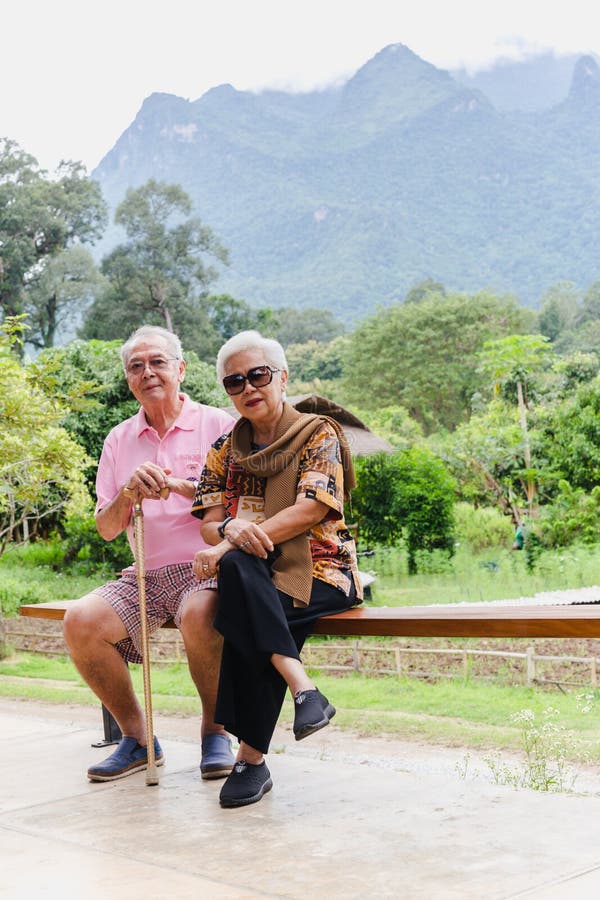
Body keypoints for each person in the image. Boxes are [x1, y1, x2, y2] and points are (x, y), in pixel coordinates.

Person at [191, 330, 363, 808]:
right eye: (235, 381)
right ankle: (302, 688)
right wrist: (228, 529)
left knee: (244, 604)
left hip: (323, 571)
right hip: (256, 575)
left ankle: (250, 759)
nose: (248, 387)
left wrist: (233, 540)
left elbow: (312, 508)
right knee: (243, 574)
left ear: (282, 378)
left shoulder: (318, 432)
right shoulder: (224, 449)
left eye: (258, 375)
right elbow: (208, 524)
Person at [63, 325, 236, 783]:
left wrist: (179, 486)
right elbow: (106, 528)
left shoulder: (218, 425)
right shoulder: (119, 439)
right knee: (79, 620)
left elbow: (243, 501)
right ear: (128, 379)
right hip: (145, 573)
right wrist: (128, 492)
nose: (147, 372)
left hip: (207, 567)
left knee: (199, 613)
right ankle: (138, 739)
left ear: (181, 369)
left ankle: (215, 731)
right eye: (136, 366)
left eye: (158, 362)